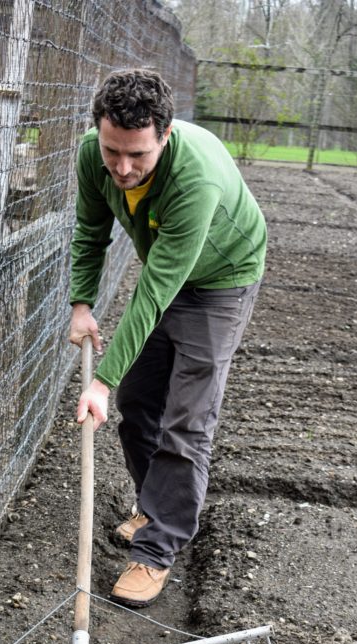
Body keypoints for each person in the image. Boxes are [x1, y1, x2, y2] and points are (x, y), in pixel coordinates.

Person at [68, 68, 266, 608]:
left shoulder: (193, 179)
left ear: (165, 135)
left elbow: (154, 292)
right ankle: (152, 506)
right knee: (137, 402)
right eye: (112, 151)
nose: (122, 168)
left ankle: (157, 550)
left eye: (138, 155)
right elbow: (90, 230)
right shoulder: (92, 156)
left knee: (187, 420)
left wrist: (100, 381)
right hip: (168, 269)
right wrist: (81, 304)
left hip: (222, 280)